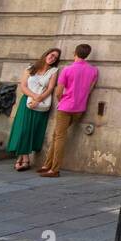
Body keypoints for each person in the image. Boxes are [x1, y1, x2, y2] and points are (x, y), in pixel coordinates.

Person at [40, 43, 99, 178]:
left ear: (75, 53)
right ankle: (47, 165)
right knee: (57, 135)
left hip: (66, 107)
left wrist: (62, 101)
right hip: (80, 108)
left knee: (59, 137)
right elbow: (90, 90)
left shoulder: (67, 69)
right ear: (87, 55)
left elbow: (59, 92)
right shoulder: (94, 70)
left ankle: (54, 169)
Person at [6, 48, 61, 171]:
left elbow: (51, 88)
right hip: (27, 102)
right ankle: (25, 159)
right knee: (23, 130)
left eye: (55, 58)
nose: (52, 58)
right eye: (51, 55)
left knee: (32, 130)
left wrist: (38, 99)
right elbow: (23, 86)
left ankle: (20, 159)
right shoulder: (31, 68)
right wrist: (33, 97)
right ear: (46, 54)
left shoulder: (53, 71)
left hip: (41, 103)